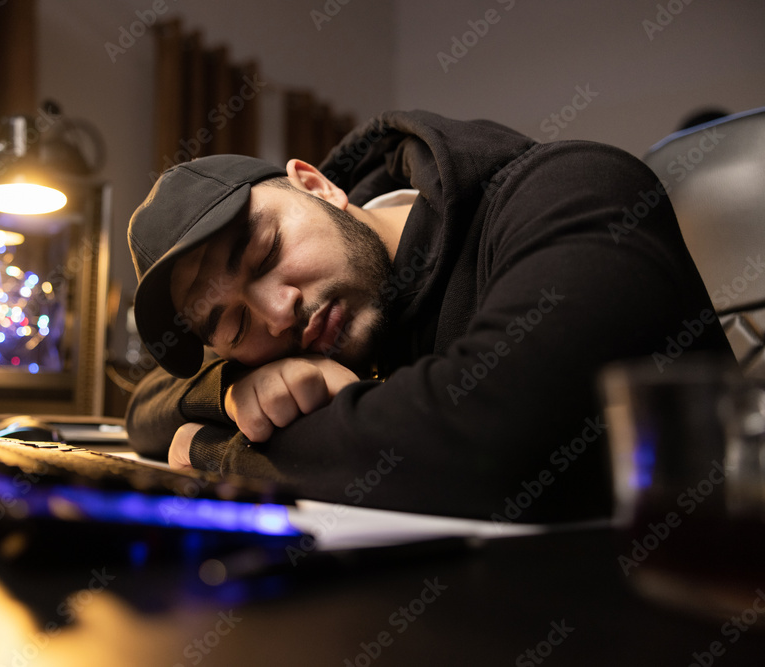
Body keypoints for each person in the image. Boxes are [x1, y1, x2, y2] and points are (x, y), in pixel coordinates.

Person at [124, 109, 734, 523]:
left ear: (316, 186)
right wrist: (237, 390)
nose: (278, 314)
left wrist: (221, 452)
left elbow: (491, 438)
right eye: (230, 326)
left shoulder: (574, 186)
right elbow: (146, 408)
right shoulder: (291, 339)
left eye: (265, 254)